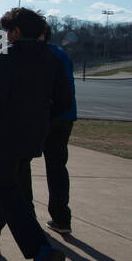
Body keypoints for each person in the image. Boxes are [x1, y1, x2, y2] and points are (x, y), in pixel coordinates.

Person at [0, 7, 71, 261]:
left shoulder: (8, 56)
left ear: (16, 32)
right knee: (2, 180)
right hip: (34, 135)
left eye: (7, 31)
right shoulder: (52, 57)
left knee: (5, 188)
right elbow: (63, 101)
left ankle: (40, 250)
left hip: (7, 132)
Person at [41, 25, 77, 235]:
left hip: (46, 116)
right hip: (65, 117)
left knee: (19, 164)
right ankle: (61, 217)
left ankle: (22, 215)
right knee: (57, 168)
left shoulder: (42, 54)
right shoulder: (61, 54)